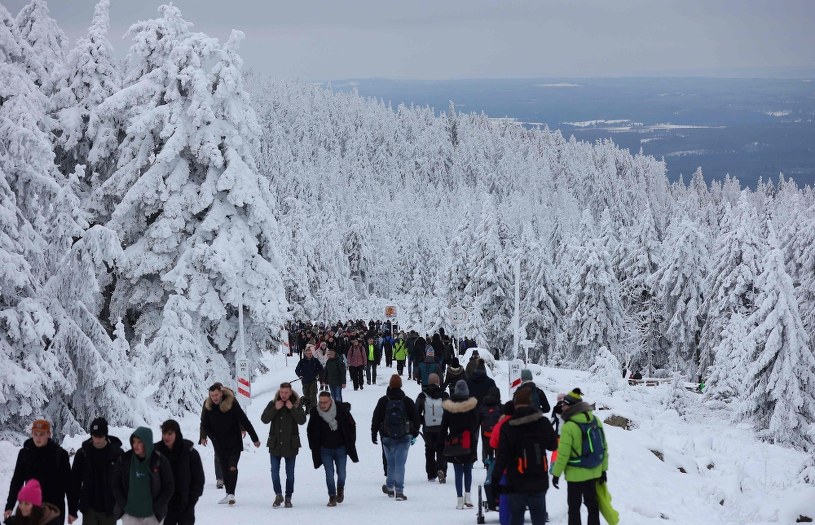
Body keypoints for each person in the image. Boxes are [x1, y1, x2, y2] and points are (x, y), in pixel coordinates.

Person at [492, 386, 558, 525]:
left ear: (515, 404)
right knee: (538, 519)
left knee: (516, 519)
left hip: (516, 481)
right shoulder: (543, 423)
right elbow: (553, 445)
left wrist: (495, 478)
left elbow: (502, 456)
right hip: (539, 479)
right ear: (531, 403)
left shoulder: (508, 426)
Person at [550, 390, 609, 525]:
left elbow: (563, 454)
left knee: (574, 508)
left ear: (571, 406)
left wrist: (556, 474)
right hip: (594, 470)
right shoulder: (595, 420)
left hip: (575, 474)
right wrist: (603, 470)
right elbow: (603, 447)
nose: (562, 406)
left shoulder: (569, 426)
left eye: (565, 404)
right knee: (593, 506)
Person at [200, 383, 261, 505]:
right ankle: (228, 493)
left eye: (216, 395)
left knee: (232, 466)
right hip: (219, 443)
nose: (214, 398)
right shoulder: (208, 406)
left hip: (234, 442)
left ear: (221, 393)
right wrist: (210, 437)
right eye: (212, 395)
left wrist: (255, 438)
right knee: (224, 469)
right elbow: (204, 424)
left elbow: (244, 420)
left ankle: (231, 494)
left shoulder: (231, 403)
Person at [4, 420, 75, 525]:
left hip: (54, 510)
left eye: (41, 434)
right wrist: (9, 506)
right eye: (35, 434)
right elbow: (17, 481)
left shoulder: (60, 455)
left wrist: (72, 511)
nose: (38, 438)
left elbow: (69, 485)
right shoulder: (25, 453)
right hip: (30, 508)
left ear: (49, 434)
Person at [371, 375, 420, 501]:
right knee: (400, 463)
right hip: (405, 436)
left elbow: (376, 418)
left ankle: (390, 486)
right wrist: (414, 432)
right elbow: (416, 417)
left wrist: (374, 433)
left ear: (390, 385)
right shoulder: (407, 401)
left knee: (390, 462)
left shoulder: (383, 401)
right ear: (401, 385)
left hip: (387, 436)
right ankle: (399, 490)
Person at [306, 392, 359, 507]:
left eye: (325, 402)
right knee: (329, 474)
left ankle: (340, 489)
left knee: (342, 473)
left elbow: (351, 426)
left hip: (341, 448)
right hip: (325, 449)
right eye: (320, 402)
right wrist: (313, 446)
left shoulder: (340, 409)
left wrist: (350, 442)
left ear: (330, 401)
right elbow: (310, 430)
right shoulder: (315, 413)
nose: (323, 405)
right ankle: (332, 496)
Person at [112, 427, 174, 525]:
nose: (135, 445)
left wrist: (157, 506)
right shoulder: (124, 460)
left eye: (139, 442)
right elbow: (116, 484)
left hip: (152, 515)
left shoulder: (159, 460)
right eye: (134, 441)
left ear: (147, 442)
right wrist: (124, 504)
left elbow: (169, 486)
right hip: (130, 515)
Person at [260, 383, 307, 508]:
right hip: (275, 444)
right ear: (279, 392)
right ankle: (278, 494)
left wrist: (292, 409)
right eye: (282, 392)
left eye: (286, 392)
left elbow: (302, 421)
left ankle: (288, 497)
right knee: (274, 472)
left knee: (290, 473)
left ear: (290, 393)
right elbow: (264, 419)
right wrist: (275, 408)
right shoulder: (273, 403)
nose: (284, 395)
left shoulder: (296, 404)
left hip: (291, 445)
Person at [70, 417, 123, 525]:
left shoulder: (117, 454)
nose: (97, 439)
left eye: (100, 436)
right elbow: (74, 483)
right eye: (95, 436)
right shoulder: (82, 454)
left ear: (106, 435)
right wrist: (72, 509)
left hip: (109, 509)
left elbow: (124, 482)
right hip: (89, 508)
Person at [153, 420, 204, 525]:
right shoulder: (155, 454)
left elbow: (198, 480)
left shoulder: (190, 454)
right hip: (163, 508)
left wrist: (191, 501)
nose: (166, 437)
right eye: (164, 433)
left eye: (170, 433)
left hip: (185, 507)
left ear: (177, 433)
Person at [440, 380, 479, 510]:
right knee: (468, 470)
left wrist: (441, 441)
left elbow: (444, 426)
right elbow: (475, 424)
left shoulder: (449, 407)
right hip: (469, 441)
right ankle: (468, 496)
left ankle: (459, 500)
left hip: (454, 442)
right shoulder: (472, 406)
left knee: (458, 472)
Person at [415, 373, 449, 483]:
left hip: (428, 428)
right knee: (441, 449)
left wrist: (422, 421)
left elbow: (416, 412)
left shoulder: (422, 395)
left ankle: (431, 474)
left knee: (429, 450)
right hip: (441, 428)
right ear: (438, 382)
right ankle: (441, 469)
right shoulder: (444, 395)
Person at [295, 344, 324, 413]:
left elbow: (320, 368)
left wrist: (316, 374)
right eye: (308, 353)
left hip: (313, 380)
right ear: (305, 354)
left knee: (313, 395)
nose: (310, 355)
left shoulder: (315, 360)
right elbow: (297, 370)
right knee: (307, 396)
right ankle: (307, 409)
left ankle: (314, 410)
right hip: (305, 381)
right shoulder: (302, 361)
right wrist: (300, 375)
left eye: (311, 353)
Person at [479, 386, 503, 467]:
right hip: (499, 435)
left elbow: (478, 421)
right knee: (499, 456)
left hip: (486, 435)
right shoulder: (501, 407)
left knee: (489, 455)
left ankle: (489, 472)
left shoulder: (483, 407)